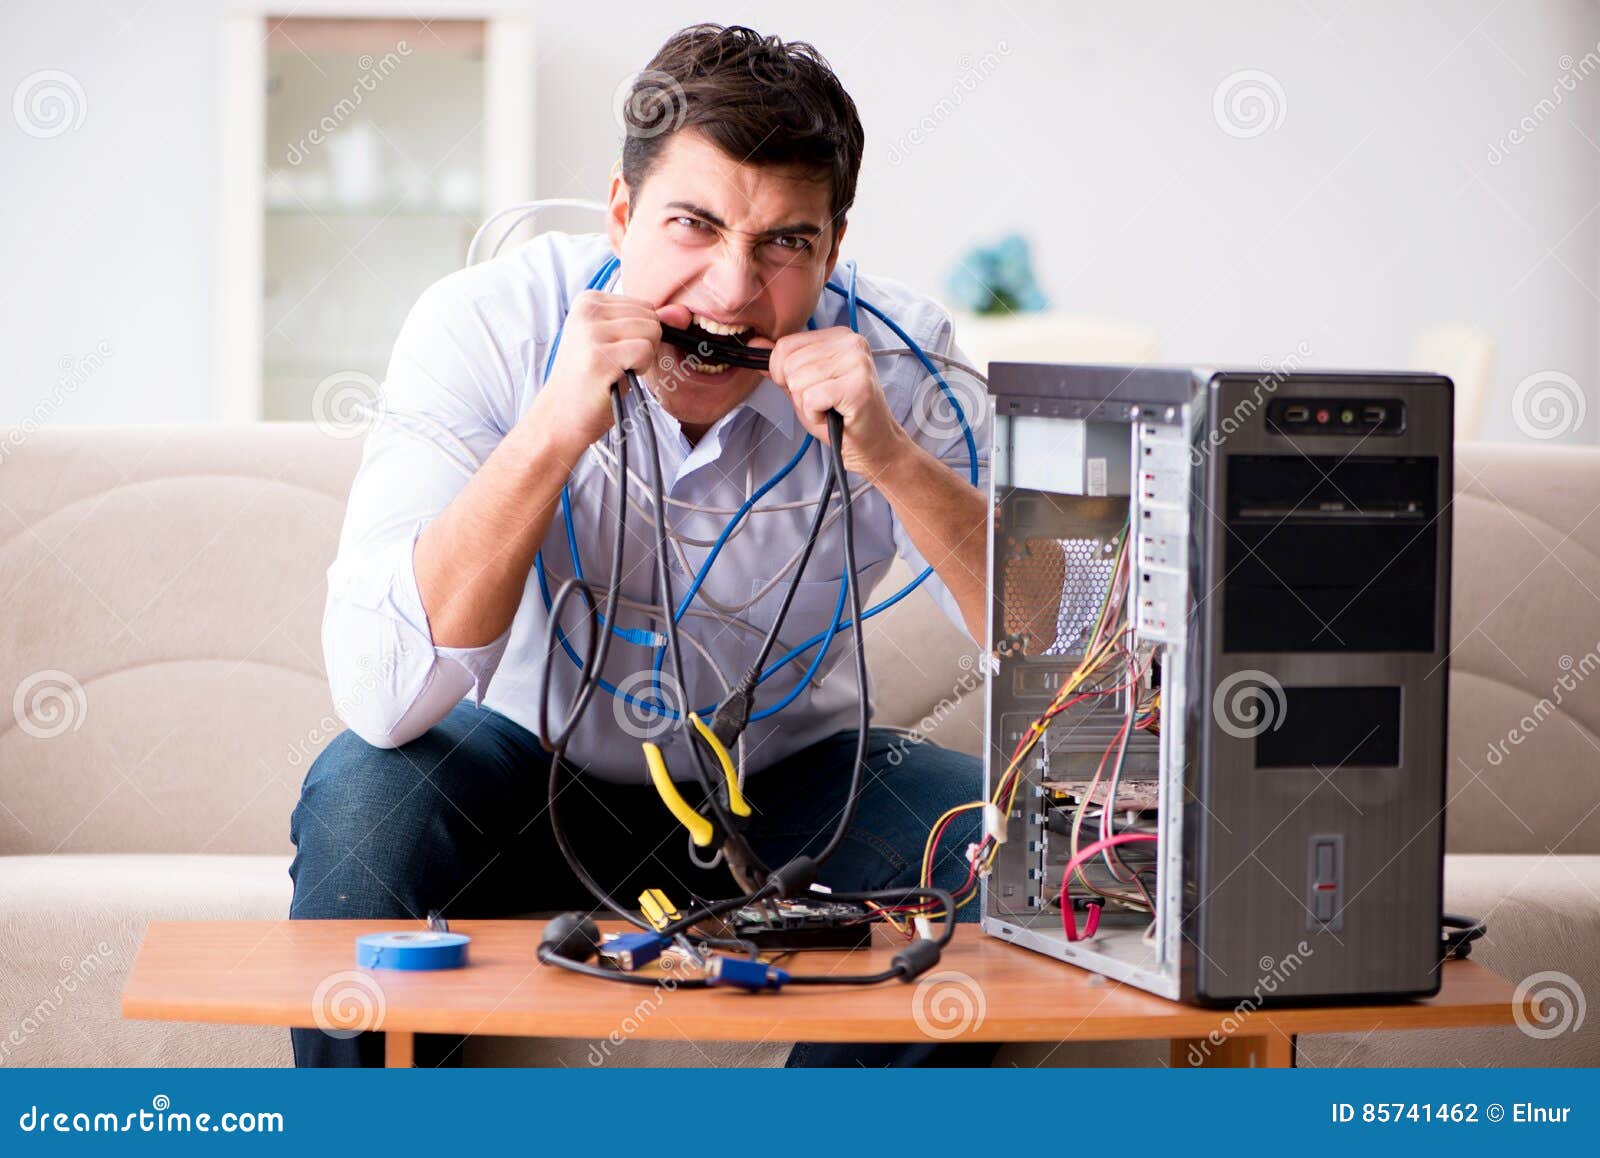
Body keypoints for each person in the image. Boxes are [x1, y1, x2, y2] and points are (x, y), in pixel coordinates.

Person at [289, 22, 995, 1068]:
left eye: (783, 246)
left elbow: (1067, 658)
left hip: (786, 790)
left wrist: (890, 459)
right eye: (693, 226)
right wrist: (553, 425)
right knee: (364, 794)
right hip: (520, 769)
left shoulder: (905, 361)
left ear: (833, 252)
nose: (727, 292)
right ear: (619, 214)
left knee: (983, 831)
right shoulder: (487, 325)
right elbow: (382, 695)